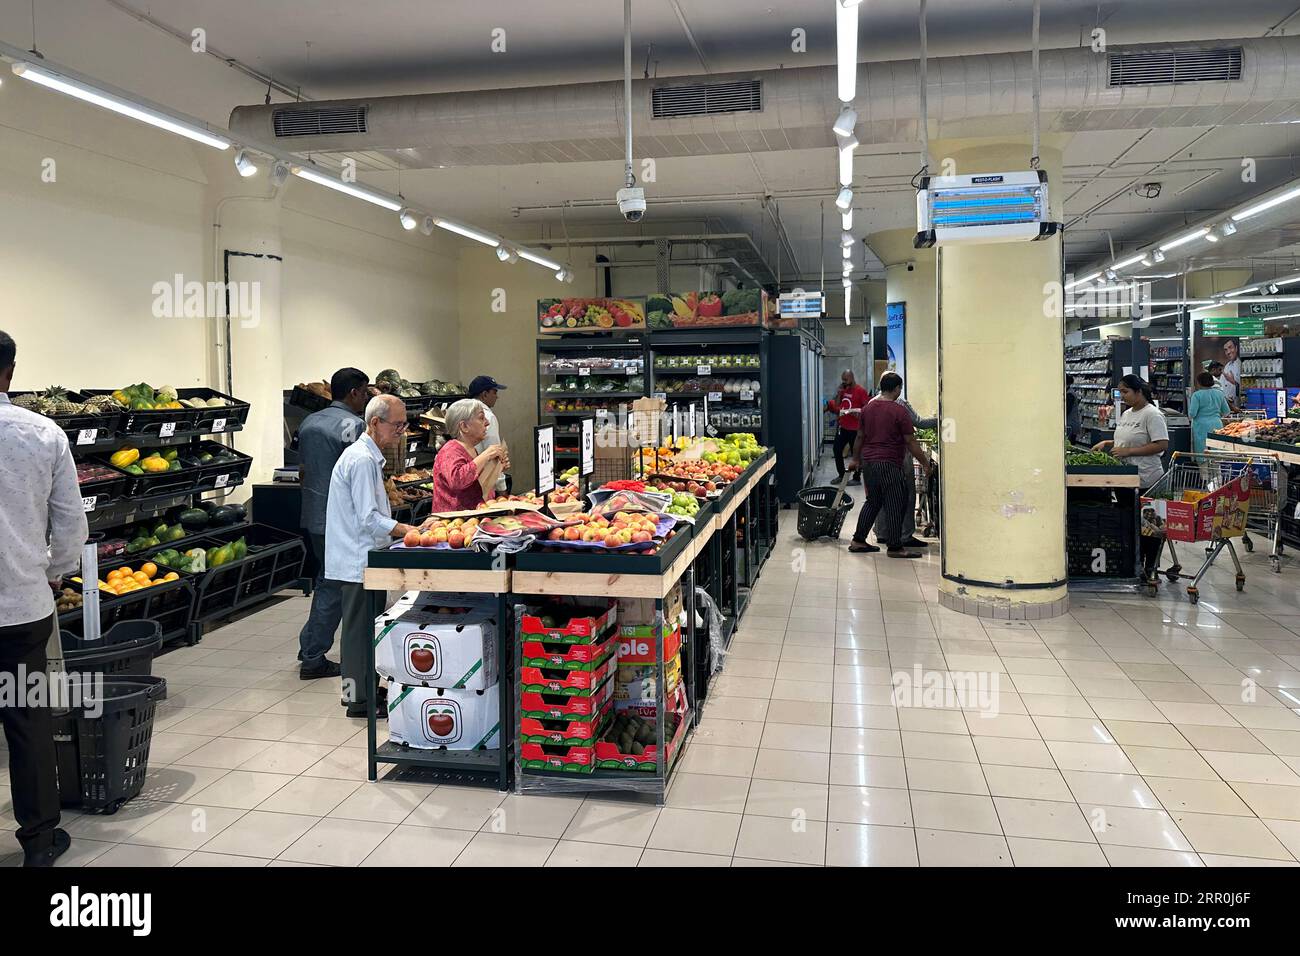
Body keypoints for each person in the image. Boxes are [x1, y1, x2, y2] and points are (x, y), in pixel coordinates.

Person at [0, 330, 85, 866]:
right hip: (22, 607)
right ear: (9, 372)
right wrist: (54, 572)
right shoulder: (41, 432)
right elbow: (70, 520)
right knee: (27, 722)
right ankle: (38, 839)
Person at [326, 394, 417, 718]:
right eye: (397, 424)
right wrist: (408, 529)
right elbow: (369, 518)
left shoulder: (367, 456)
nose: (402, 431)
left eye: (404, 424)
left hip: (364, 555)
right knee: (356, 633)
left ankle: (359, 689)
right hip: (357, 559)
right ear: (375, 422)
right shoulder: (362, 460)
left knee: (363, 628)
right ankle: (357, 700)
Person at [295, 367, 369, 680]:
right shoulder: (354, 425)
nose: (365, 398)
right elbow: (358, 475)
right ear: (354, 392)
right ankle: (313, 657)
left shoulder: (309, 422)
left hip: (313, 515)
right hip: (339, 519)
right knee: (335, 586)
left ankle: (308, 647)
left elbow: (302, 471)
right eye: (364, 392)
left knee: (326, 580)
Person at [845, 372, 933, 559]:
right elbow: (911, 442)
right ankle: (894, 547)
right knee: (895, 502)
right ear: (897, 389)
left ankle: (858, 540)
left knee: (873, 502)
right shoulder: (899, 411)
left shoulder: (868, 408)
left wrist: (855, 459)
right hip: (889, 464)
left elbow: (860, 436)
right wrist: (925, 463)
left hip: (869, 463)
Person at [1092, 374, 1170, 583]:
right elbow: (1126, 439)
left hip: (1148, 480)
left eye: (1125, 391)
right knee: (1131, 524)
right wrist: (1109, 443)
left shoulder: (1152, 415)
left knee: (1150, 527)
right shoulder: (1127, 414)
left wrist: (1129, 452)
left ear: (1139, 391)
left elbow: (1161, 444)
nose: (1122, 396)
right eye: (1120, 392)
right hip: (1125, 479)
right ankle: (1135, 565)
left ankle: (1150, 567)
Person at [431, 399, 507, 513]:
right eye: (481, 418)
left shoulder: (471, 449)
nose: (487, 422)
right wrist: (486, 455)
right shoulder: (450, 451)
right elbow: (457, 481)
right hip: (453, 525)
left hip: (472, 520)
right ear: (464, 426)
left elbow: (475, 482)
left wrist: (496, 467)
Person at [882, 394, 938, 547]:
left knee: (882, 496)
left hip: (880, 457)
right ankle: (906, 535)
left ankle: (881, 532)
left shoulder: (873, 403)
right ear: (897, 388)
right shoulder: (900, 403)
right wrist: (942, 418)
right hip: (900, 454)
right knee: (907, 494)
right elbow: (919, 424)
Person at [468, 375, 509, 495]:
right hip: (484, 483)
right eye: (494, 392)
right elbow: (494, 454)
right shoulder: (488, 417)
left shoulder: (464, 414)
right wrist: (502, 489)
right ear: (484, 394)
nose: (497, 396)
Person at [828, 370, 870, 485]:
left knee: (856, 453)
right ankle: (841, 475)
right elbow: (836, 406)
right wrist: (839, 393)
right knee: (837, 449)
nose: (844, 382)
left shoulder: (861, 391)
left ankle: (856, 478)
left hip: (855, 429)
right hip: (843, 426)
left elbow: (867, 409)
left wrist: (858, 412)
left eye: (846, 379)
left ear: (852, 377)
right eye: (843, 380)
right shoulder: (843, 390)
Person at [1189, 370, 1231, 453]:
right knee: (1217, 449)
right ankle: (1216, 464)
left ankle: (1203, 464)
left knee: (1202, 450)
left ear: (1199, 383)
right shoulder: (1219, 394)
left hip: (1201, 426)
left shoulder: (1196, 395)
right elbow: (1226, 411)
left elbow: (1192, 414)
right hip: (1217, 424)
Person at [1220, 338, 1243, 410]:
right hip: (1227, 405)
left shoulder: (1242, 364)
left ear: (1236, 348)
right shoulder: (1227, 366)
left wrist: (1232, 381)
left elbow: (1243, 387)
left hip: (1238, 406)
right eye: (1226, 350)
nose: (1228, 352)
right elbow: (1222, 385)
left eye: (1230, 347)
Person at [1066, 374, 1082, 444]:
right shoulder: (1068, 392)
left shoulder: (1070, 394)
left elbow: (1066, 410)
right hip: (1071, 425)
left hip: (1071, 426)